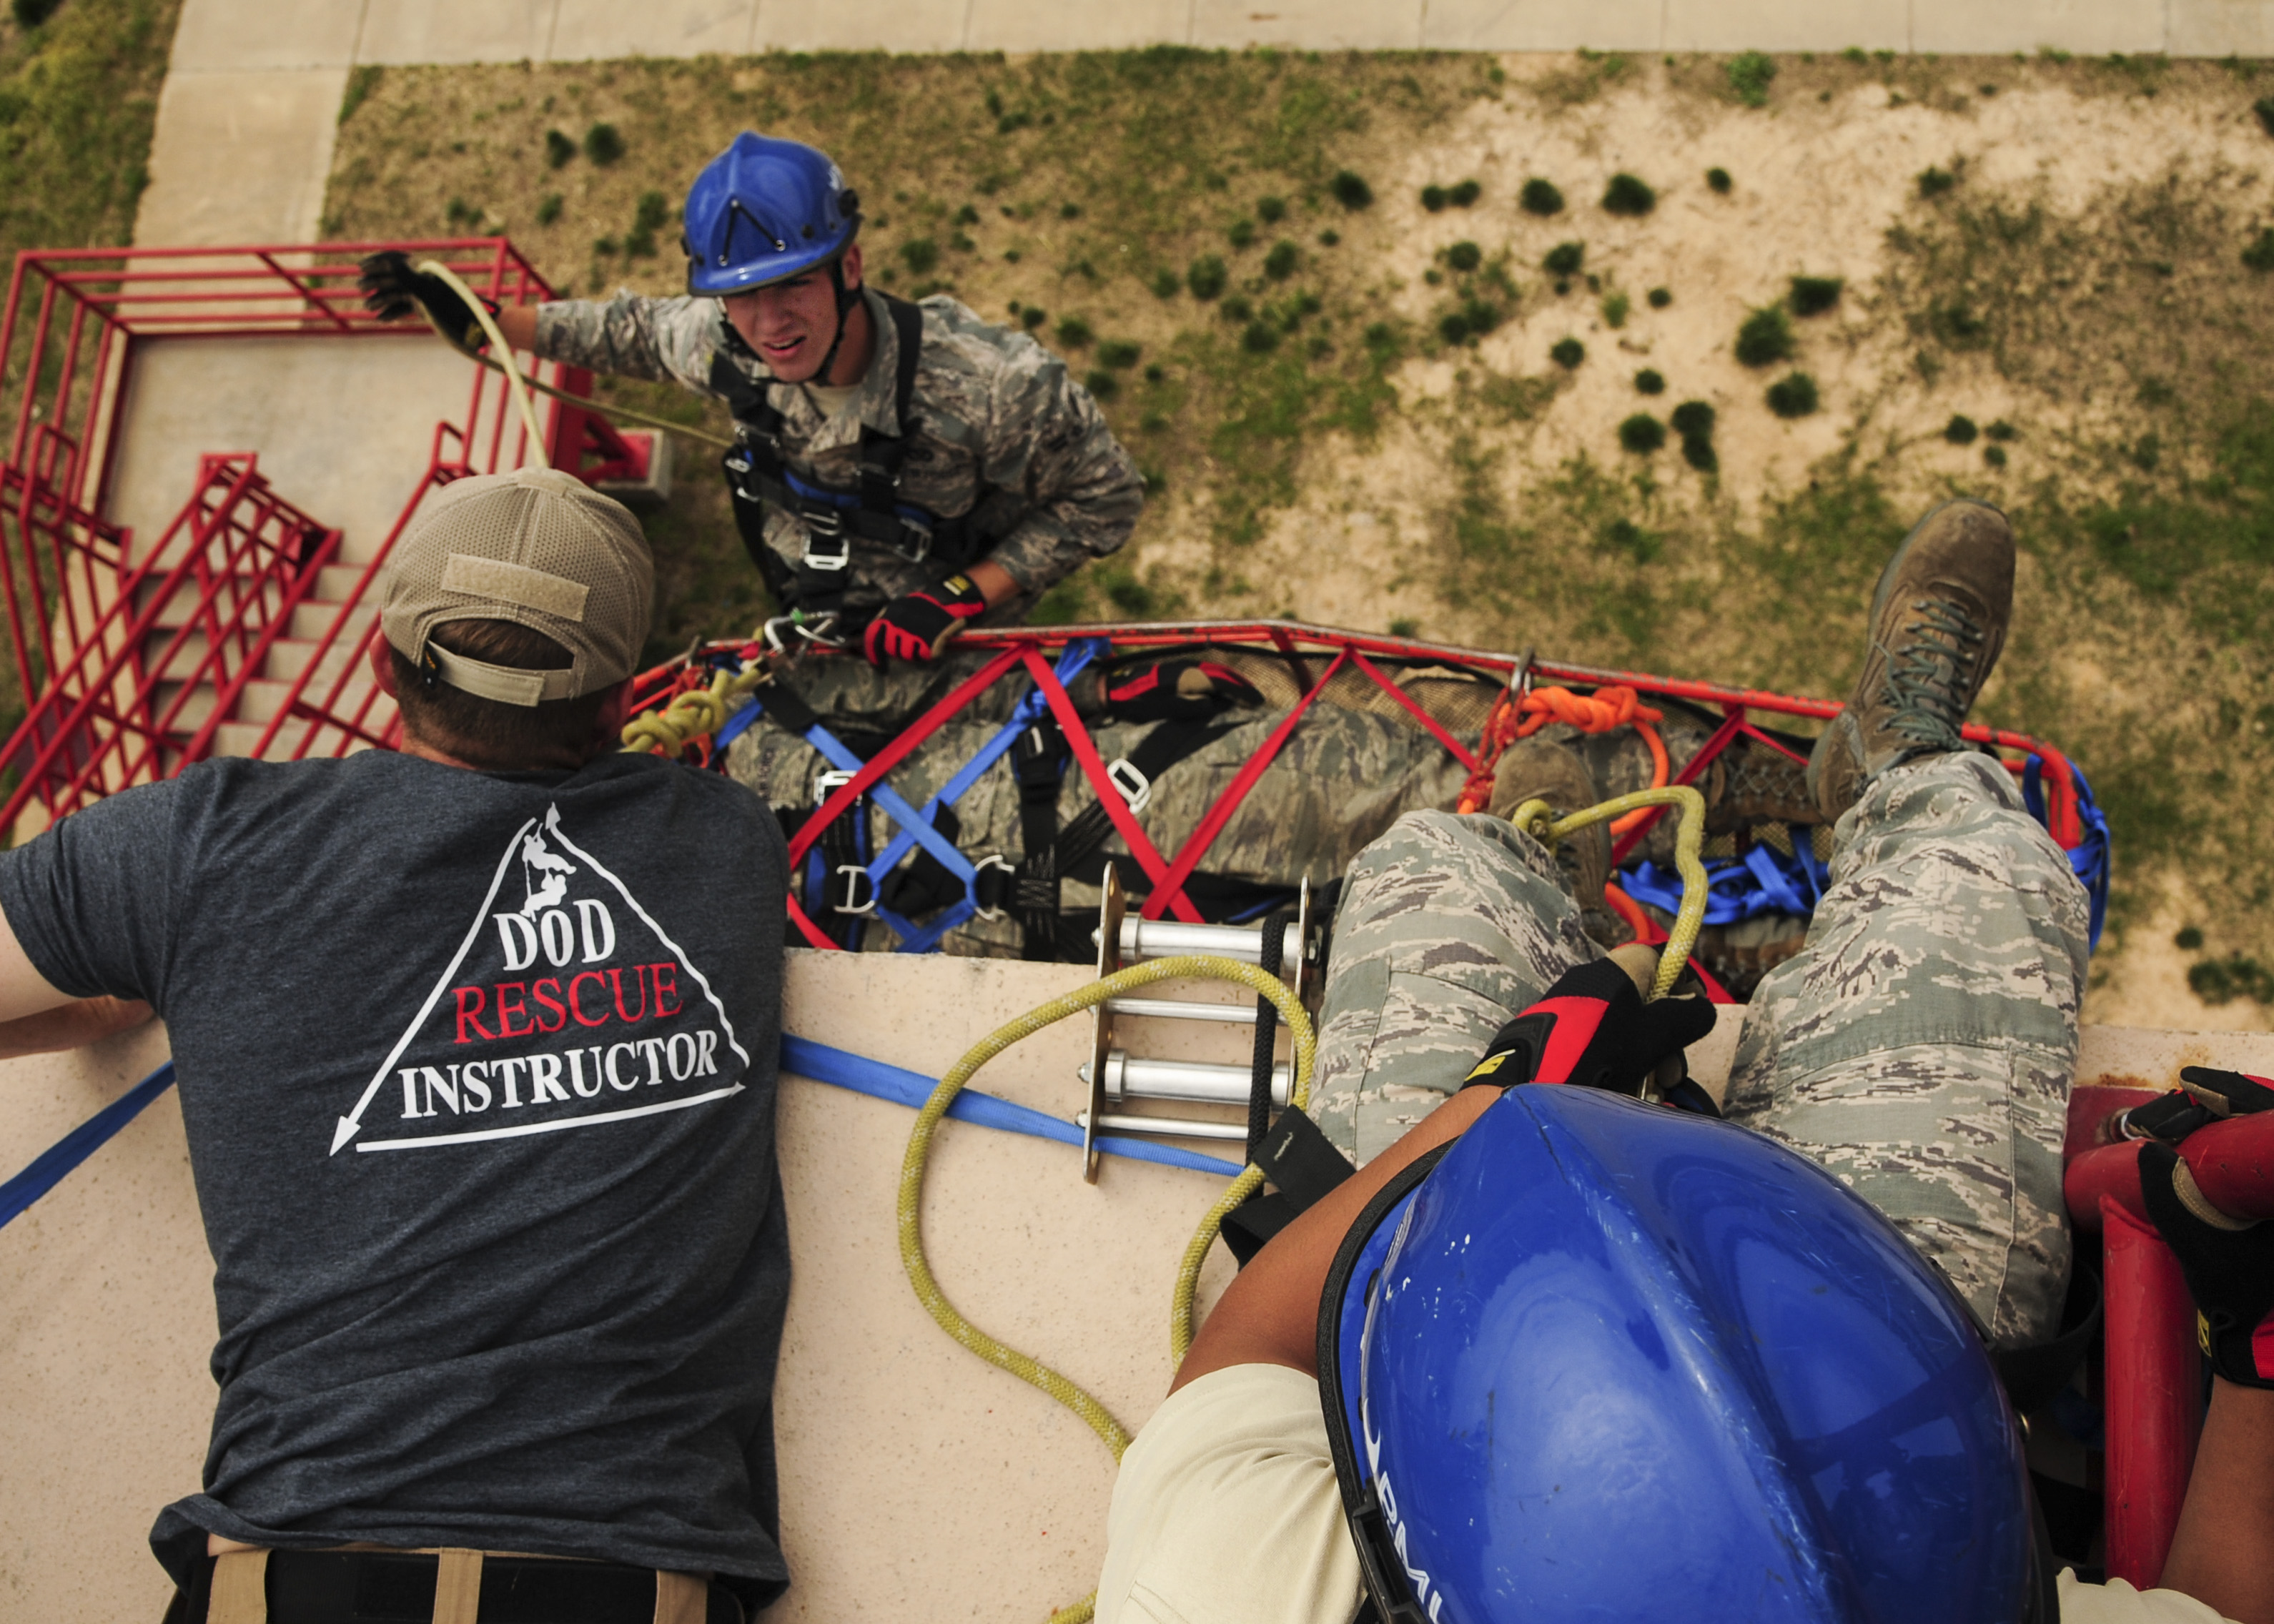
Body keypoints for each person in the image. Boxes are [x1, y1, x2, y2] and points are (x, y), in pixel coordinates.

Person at [1092, 499, 2274, 1622]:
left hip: (1449, 1318)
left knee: (1433, 876)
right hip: (1882, 1358)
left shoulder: (1230, 1592)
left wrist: (1489, 1107)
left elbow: (1246, 1350)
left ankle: (1541, 867)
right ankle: (1895, 767)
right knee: (1988, 884)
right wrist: (2258, 1336)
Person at [0, 469, 791, 1622]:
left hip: (288, 1571)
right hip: (630, 1580)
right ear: (621, 698)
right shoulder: (725, 849)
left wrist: (120, 996)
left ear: (382, 662)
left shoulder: (197, 851)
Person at [357, 132, 1145, 668]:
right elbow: (627, 332)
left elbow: (1104, 500)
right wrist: (484, 322)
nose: (771, 325)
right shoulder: (719, 341)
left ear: (850, 267)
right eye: (742, 297)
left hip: (933, 611)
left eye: (794, 284)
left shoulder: (992, 388)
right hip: (808, 583)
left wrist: (965, 596)